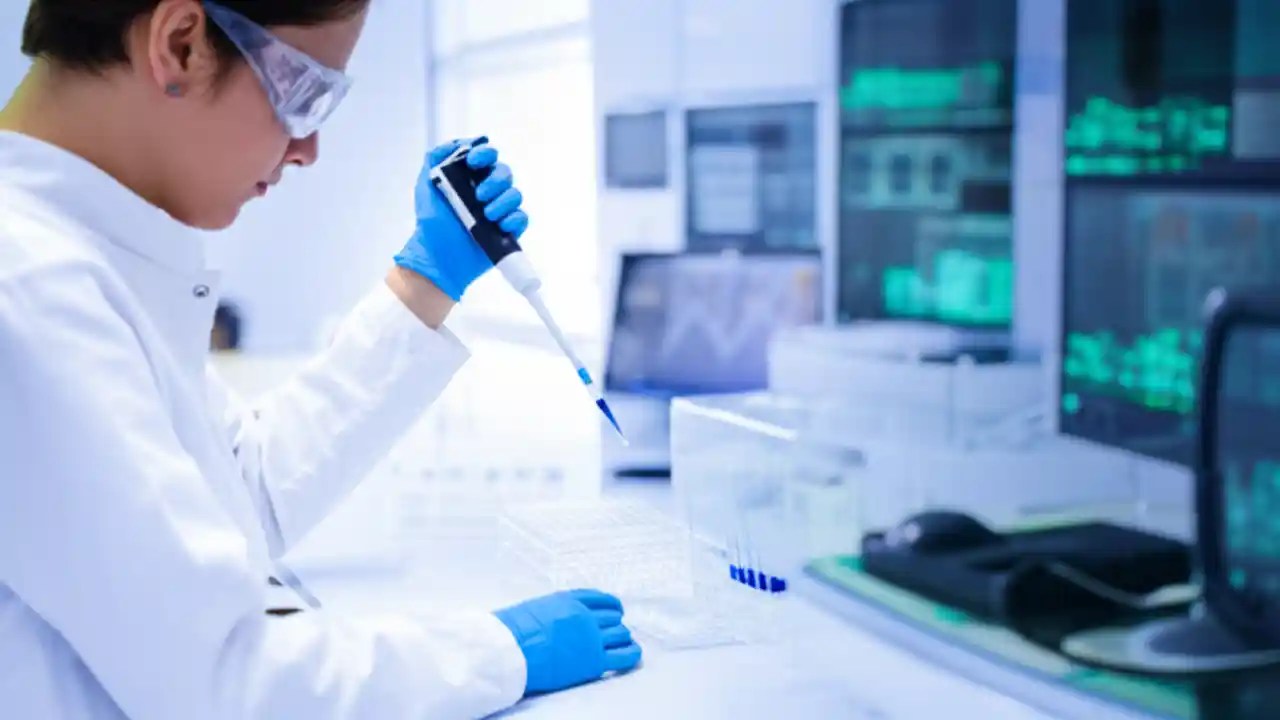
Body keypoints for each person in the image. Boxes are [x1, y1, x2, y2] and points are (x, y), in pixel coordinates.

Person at [0, 1, 642, 719]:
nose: (307, 150)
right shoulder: (26, 286)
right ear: (181, 44)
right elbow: (227, 684)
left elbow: (237, 491)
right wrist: (498, 651)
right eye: (303, 93)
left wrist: (426, 280)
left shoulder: (70, 260)